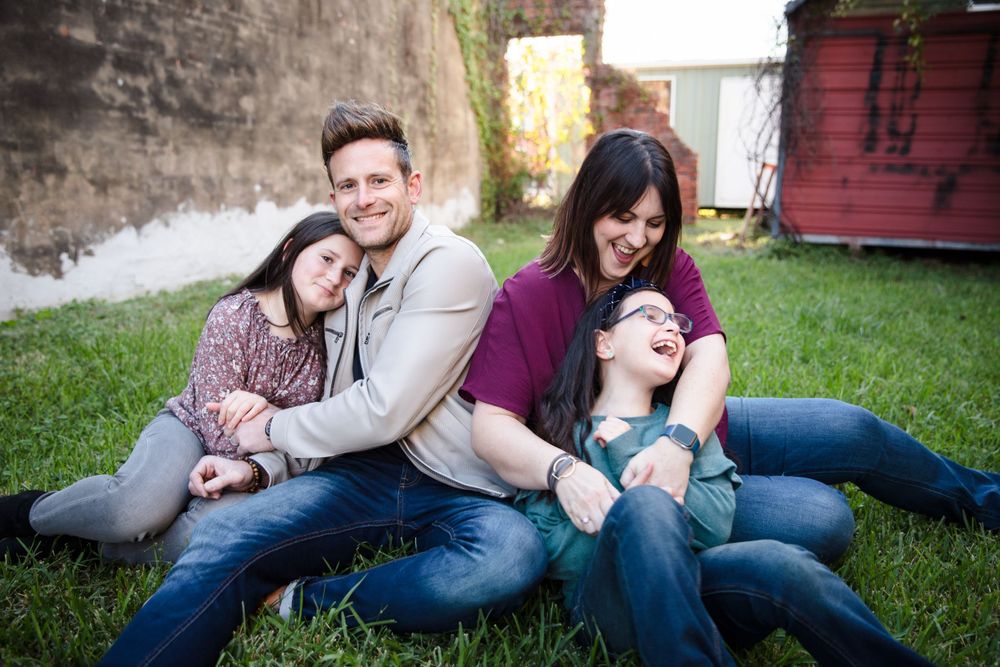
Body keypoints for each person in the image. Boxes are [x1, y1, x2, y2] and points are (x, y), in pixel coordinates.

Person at [98, 101, 547, 667]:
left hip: (453, 483)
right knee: (228, 535)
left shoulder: (449, 263)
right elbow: (325, 402)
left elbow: (383, 410)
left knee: (510, 555)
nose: (364, 199)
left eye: (379, 181)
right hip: (357, 474)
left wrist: (269, 428)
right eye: (348, 186)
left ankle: (304, 600)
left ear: (413, 185)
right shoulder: (345, 284)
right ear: (333, 198)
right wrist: (264, 466)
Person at [464, 129, 999, 568]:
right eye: (621, 218)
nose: (637, 239)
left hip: (694, 432)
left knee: (851, 428)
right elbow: (491, 427)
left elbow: (709, 356)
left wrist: (679, 445)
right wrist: (566, 472)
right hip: (624, 471)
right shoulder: (530, 295)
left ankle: (985, 499)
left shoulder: (667, 267)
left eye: (654, 223)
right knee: (822, 519)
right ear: (586, 206)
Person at [518, 277, 931, 665]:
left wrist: (628, 455)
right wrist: (638, 515)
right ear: (604, 343)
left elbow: (715, 524)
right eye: (651, 315)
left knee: (784, 562)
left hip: (701, 584)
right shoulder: (562, 439)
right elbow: (554, 551)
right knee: (647, 504)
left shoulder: (682, 429)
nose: (674, 330)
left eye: (678, 323)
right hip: (610, 607)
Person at [0, 212, 363, 565]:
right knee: (132, 509)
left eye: (349, 272)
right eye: (326, 258)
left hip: (261, 465)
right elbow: (219, 430)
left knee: (209, 531)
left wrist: (261, 442)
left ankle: (82, 545)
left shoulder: (332, 341)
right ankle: (27, 513)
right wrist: (278, 424)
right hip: (191, 431)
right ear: (290, 251)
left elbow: (310, 438)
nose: (334, 277)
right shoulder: (235, 316)